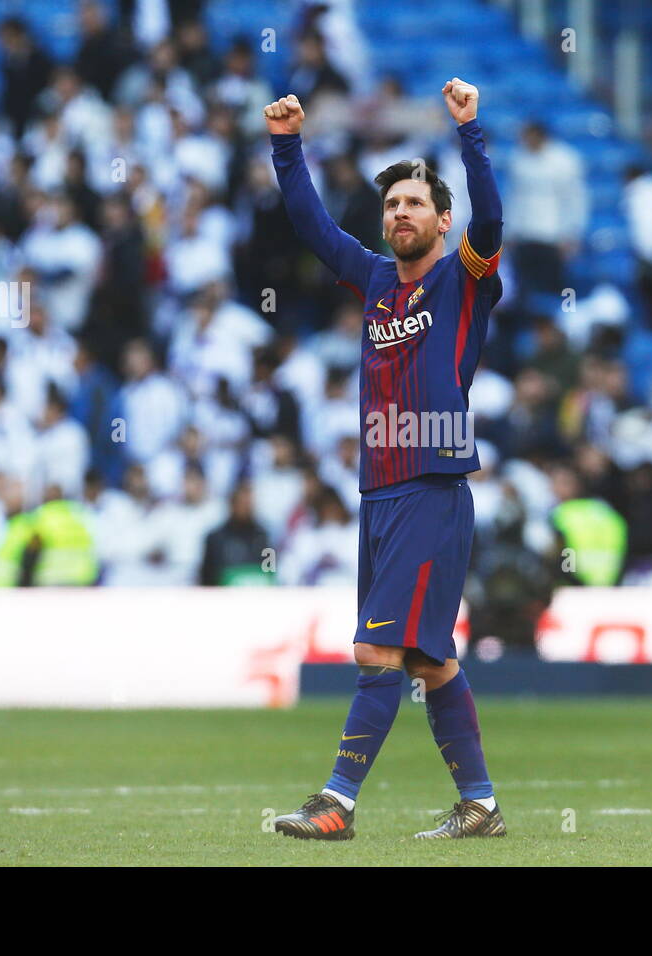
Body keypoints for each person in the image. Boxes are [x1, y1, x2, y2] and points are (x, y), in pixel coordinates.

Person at [264, 82, 507, 840]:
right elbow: (310, 224)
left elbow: (492, 217)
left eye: (414, 203)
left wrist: (469, 133)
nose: (400, 212)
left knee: (377, 648)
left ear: (442, 220)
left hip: (432, 486)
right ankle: (482, 805)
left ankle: (337, 802)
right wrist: (286, 146)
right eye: (392, 204)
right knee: (431, 663)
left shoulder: (463, 277)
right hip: (381, 490)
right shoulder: (373, 279)